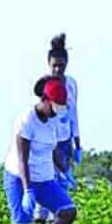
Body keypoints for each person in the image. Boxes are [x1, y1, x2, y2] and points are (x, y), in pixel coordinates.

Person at [2, 78, 76, 224]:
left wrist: (65, 169)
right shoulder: (26, 120)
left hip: (44, 178)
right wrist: (28, 190)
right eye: (53, 107)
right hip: (19, 177)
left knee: (68, 212)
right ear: (44, 100)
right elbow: (23, 159)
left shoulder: (55, 120)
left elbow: (54, 148)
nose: (54, 112)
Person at [48, 33, 81, 167]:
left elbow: (74, 114)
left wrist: (77, 143)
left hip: (65, 140)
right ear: (48, 64)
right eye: (54, 65)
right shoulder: (45, 85)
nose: (57, 69)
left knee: (64, 182)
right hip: (48, 142)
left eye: (61, 65)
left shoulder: (71, 84)